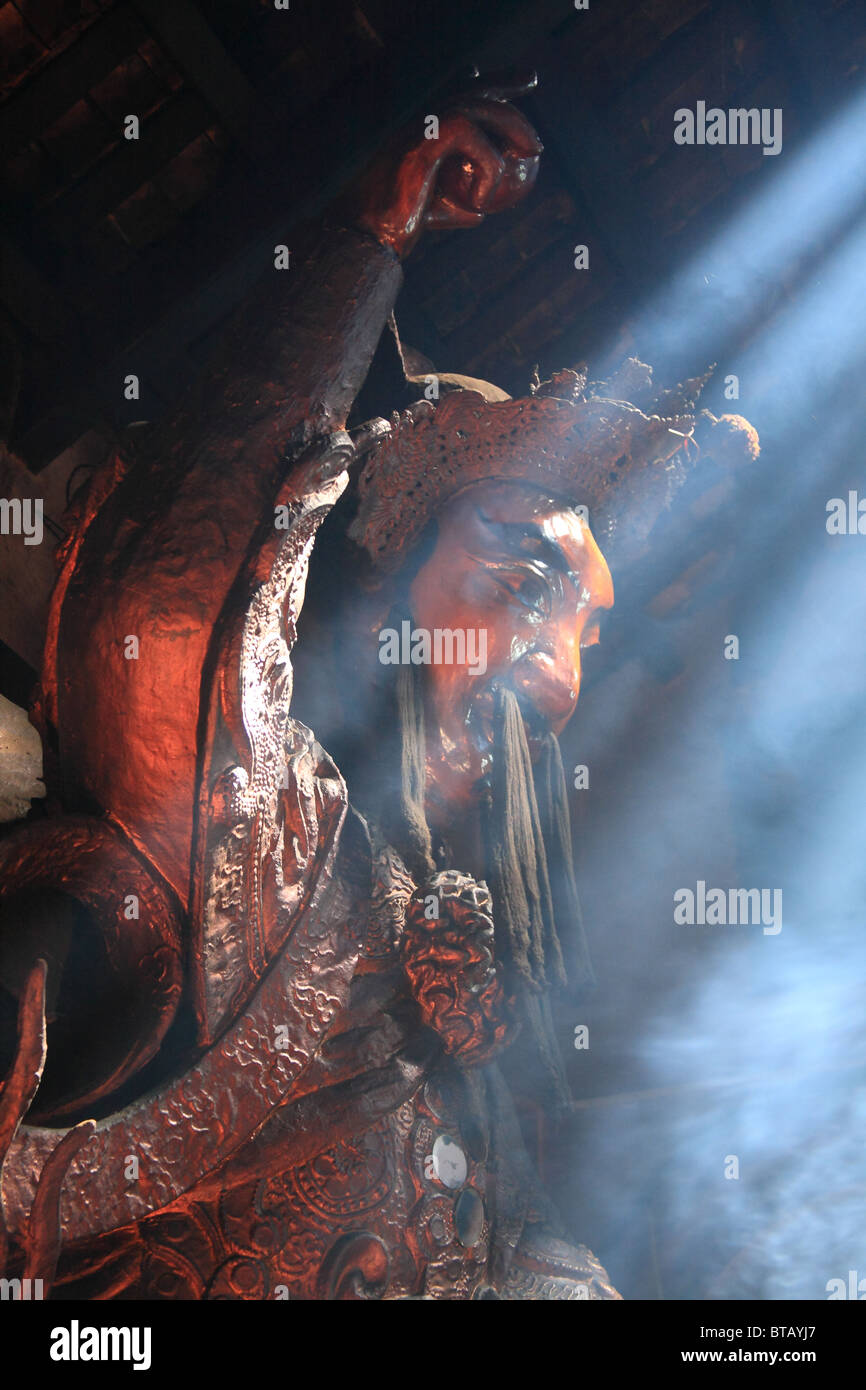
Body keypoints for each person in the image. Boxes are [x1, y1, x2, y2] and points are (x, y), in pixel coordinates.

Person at [0, 80, 757, 1299]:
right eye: (516, 580)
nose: (552, 667)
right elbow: (167, 622)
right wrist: (368, 243)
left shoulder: (503, 1032)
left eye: (585, 629)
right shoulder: (274, 839)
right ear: (394, 578)